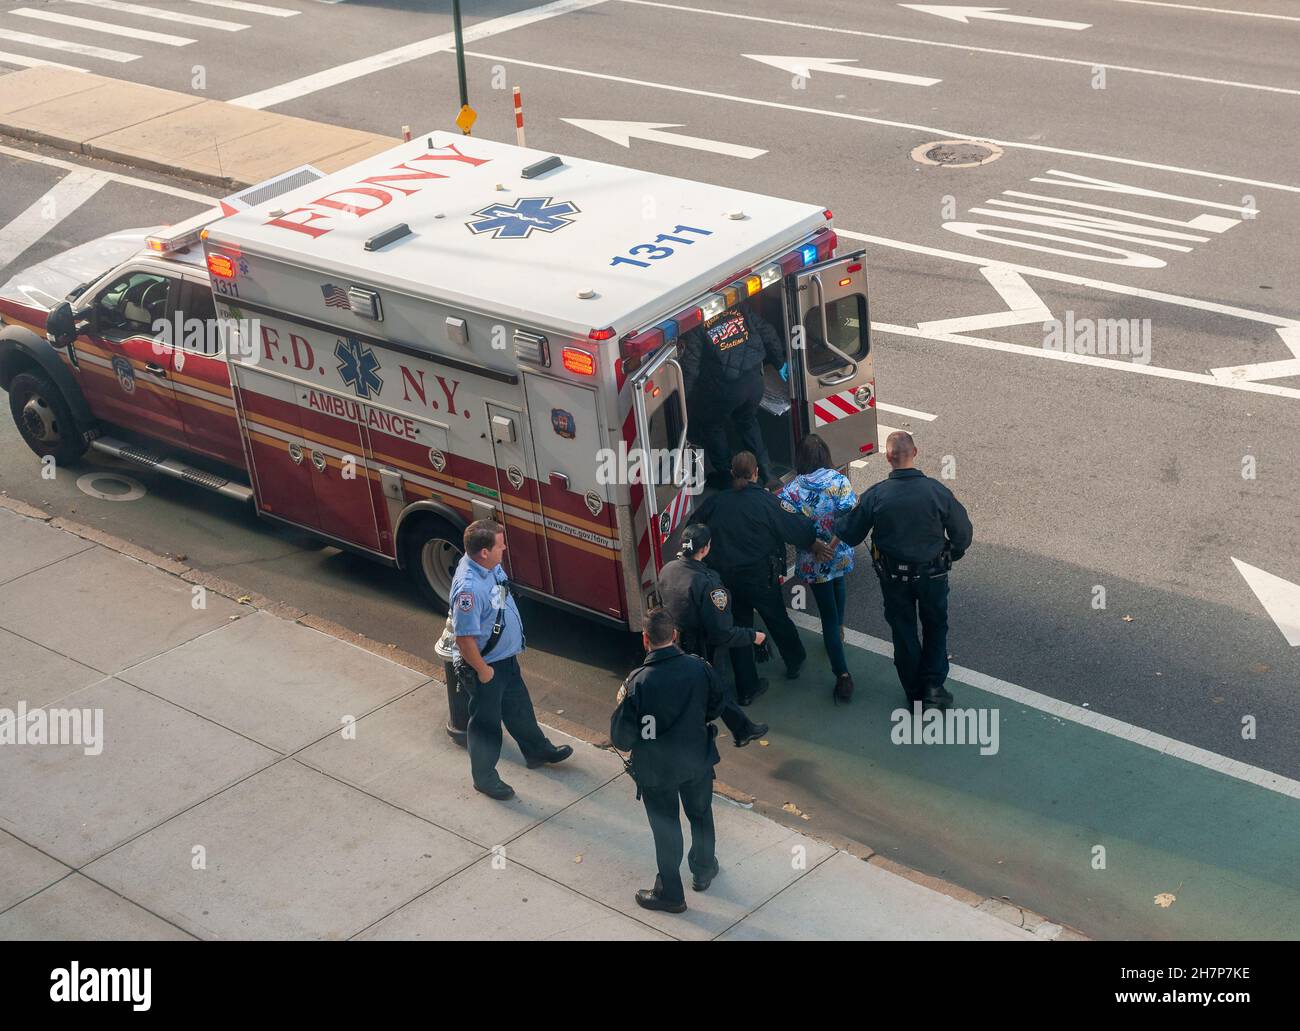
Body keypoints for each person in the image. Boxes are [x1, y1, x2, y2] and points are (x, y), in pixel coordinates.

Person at [833, 431, 972, 709]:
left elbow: (849, 532)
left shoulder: (876, 495)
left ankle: (914, 693)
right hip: (933, 575)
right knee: (935, 626)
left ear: (888, 457)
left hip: (894, 578)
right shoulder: (936, 492)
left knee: (904, 630)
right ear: (915, 452)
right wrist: (952, 553)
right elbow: (963, 533)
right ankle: (934, 686)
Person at [611, 607, 724, 913]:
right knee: (700, 814)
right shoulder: (699, 667)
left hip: (657, 770)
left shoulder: (638, 683)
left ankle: (671, 894)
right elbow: (716, 705)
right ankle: (703, 870)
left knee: (666, 828)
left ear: (645, 639)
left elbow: (621, 737)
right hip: (696, 760)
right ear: (674, 636)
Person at [450, 519, 572, 800]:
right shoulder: (469, 590)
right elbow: (464, 639)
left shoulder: (489, 568)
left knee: (519, 710)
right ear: (484, 552)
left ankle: (537, 750)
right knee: (486, 726)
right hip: (487, 666)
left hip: (505, 660)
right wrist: (483, 672)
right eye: (500, 546)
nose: (504, 549)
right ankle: (484, 778)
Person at [692, 451, 817, 701]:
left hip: (726, 579)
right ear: (756, 473)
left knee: (739, 628)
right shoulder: (766, 502)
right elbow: (799, 530)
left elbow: (694, 529)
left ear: (731, 473)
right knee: (777, 619)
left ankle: (747, 688)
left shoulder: (716, 502)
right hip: (760, 577)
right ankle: (794, 661)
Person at [657, 523, 769, 747]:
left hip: (675, 642)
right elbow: (722, 633)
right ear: (706, 548)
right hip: (703, 649)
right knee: (714, 688)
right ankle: (736, 731)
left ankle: (743, 729)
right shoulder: (709, 585)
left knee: (709, 689)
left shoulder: (667, 569)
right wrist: (753, 637)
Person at [777, 433, 859, 704]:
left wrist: (816, 546)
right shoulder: (839, 482)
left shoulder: (791, 491)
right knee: (840, 585)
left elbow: (789, 529)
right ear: (825, 456)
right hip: (839, 553)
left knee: (828, 617)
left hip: (814, 559)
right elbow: (849, 517)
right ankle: (841, 628)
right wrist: (833, 544)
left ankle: (843, 674)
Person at [681, 296, 787, 489]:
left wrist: (682, 400)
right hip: (754, 383)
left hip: (723, 390)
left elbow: (690, 367)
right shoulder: (739, 309)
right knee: (748, 422)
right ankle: (767, 473)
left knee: (713, 426)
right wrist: (779, 362)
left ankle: (727, 477)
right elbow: (768, 333)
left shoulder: (697, 326)